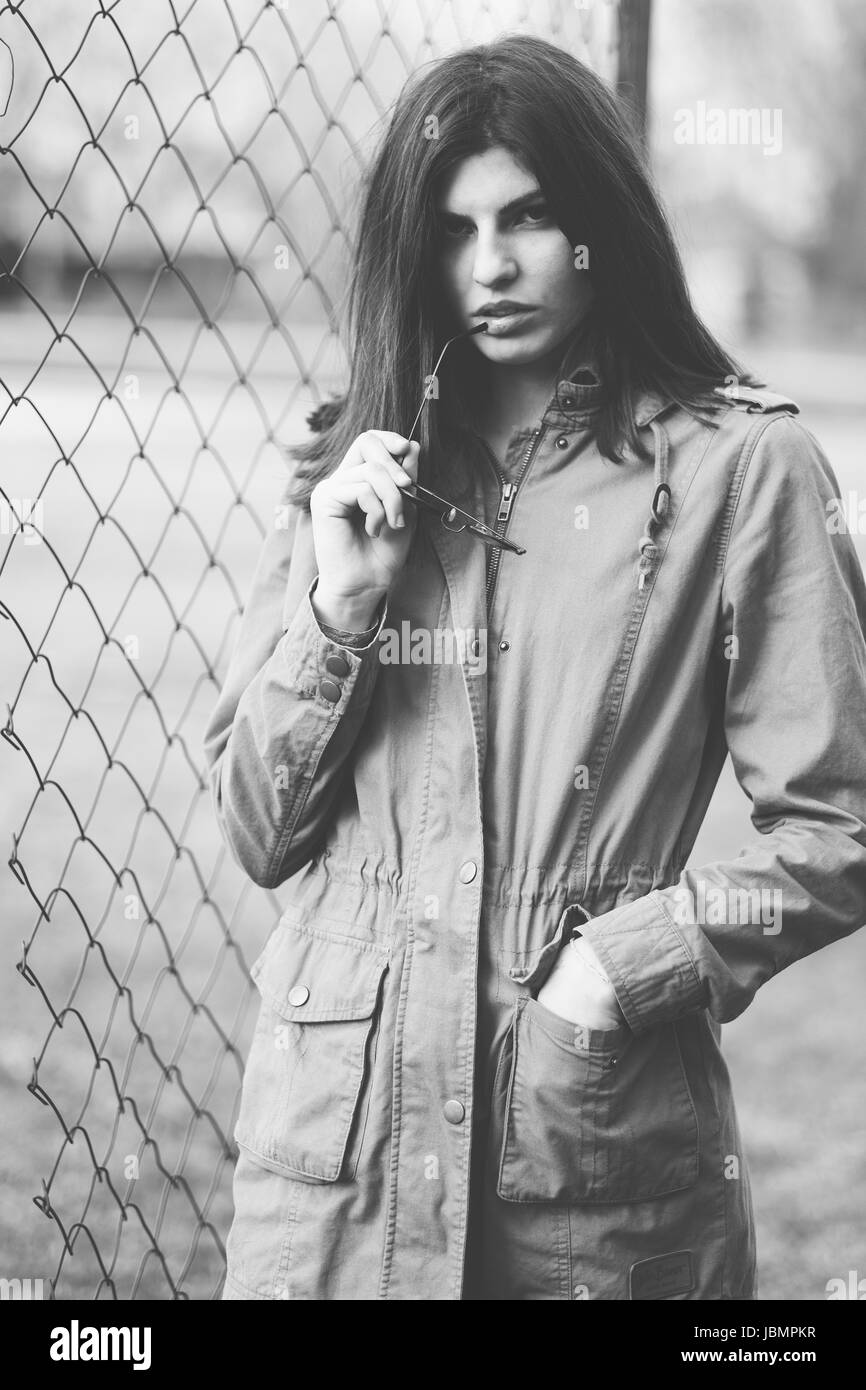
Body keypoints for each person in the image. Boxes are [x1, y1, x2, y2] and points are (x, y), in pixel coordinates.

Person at [203, 34, 866, 1301]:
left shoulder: (742, 472)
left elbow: (835, 824)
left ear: (600, 224)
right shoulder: (352, 466)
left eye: (527, 217)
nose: (489, 266)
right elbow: (261, 832)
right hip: (335, 1166)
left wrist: (624, 965)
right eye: (450, 232)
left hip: (589, 1163)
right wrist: (341, 606)